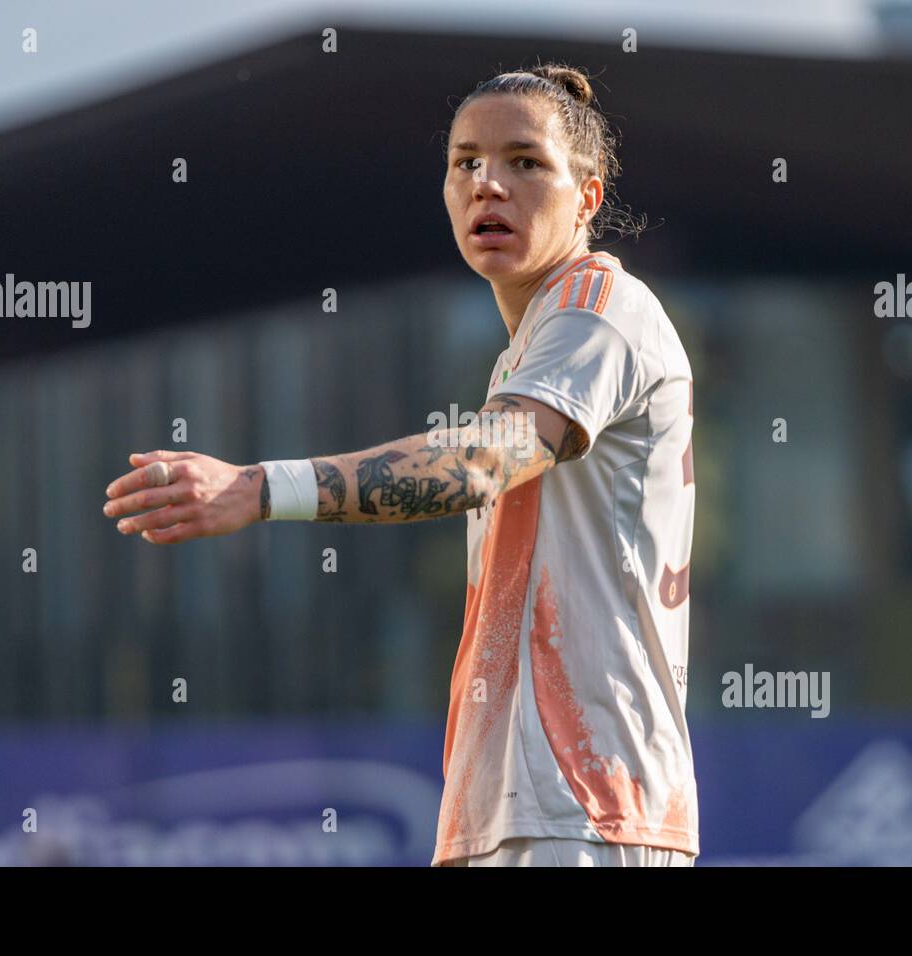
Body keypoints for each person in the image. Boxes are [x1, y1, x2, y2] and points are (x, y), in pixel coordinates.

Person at [102, 63, 698, 867]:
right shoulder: (533, 346)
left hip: (582, 811)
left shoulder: (599, 312)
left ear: (588, 198)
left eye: (525, 161)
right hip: (527, 810)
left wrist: (256, 488)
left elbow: (478, 465)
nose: (489, 183)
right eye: (466, 162)